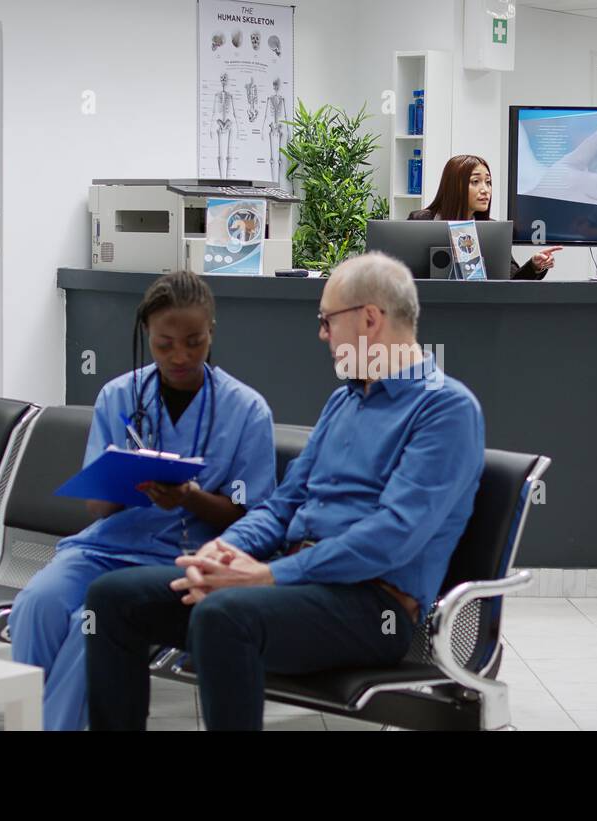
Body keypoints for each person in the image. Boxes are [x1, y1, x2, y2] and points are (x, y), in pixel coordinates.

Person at [84, 252, 486, 731]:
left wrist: (269, 578)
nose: (322, 335)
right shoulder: (344, 400)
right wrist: (225, 549)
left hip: (371, 605)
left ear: (370, 319)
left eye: (326, 321)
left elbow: (392, 536)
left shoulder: (446, 410)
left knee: (223, 616)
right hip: (296, 585)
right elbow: (281, 505)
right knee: (112, 598)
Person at [9, 272, 276, 730]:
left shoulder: (247, 410)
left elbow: (252, 513)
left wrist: (190, 498)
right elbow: (98, 509)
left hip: (182, 560)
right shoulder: (118, 396)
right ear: (146, 337)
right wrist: (124, 482)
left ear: (212, 330)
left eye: (194, 341)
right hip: (107, 546)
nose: (180, 356)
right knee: (36, 604)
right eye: (164, 343)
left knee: (85, 628)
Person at [410, 154, 562, 280]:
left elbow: (511, 281)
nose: (485, 190)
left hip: (479, 310)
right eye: (475, 182)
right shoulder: (420, 220)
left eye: (488, 182)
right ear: (454, 186)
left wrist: (535, 265)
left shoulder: (493, 230)